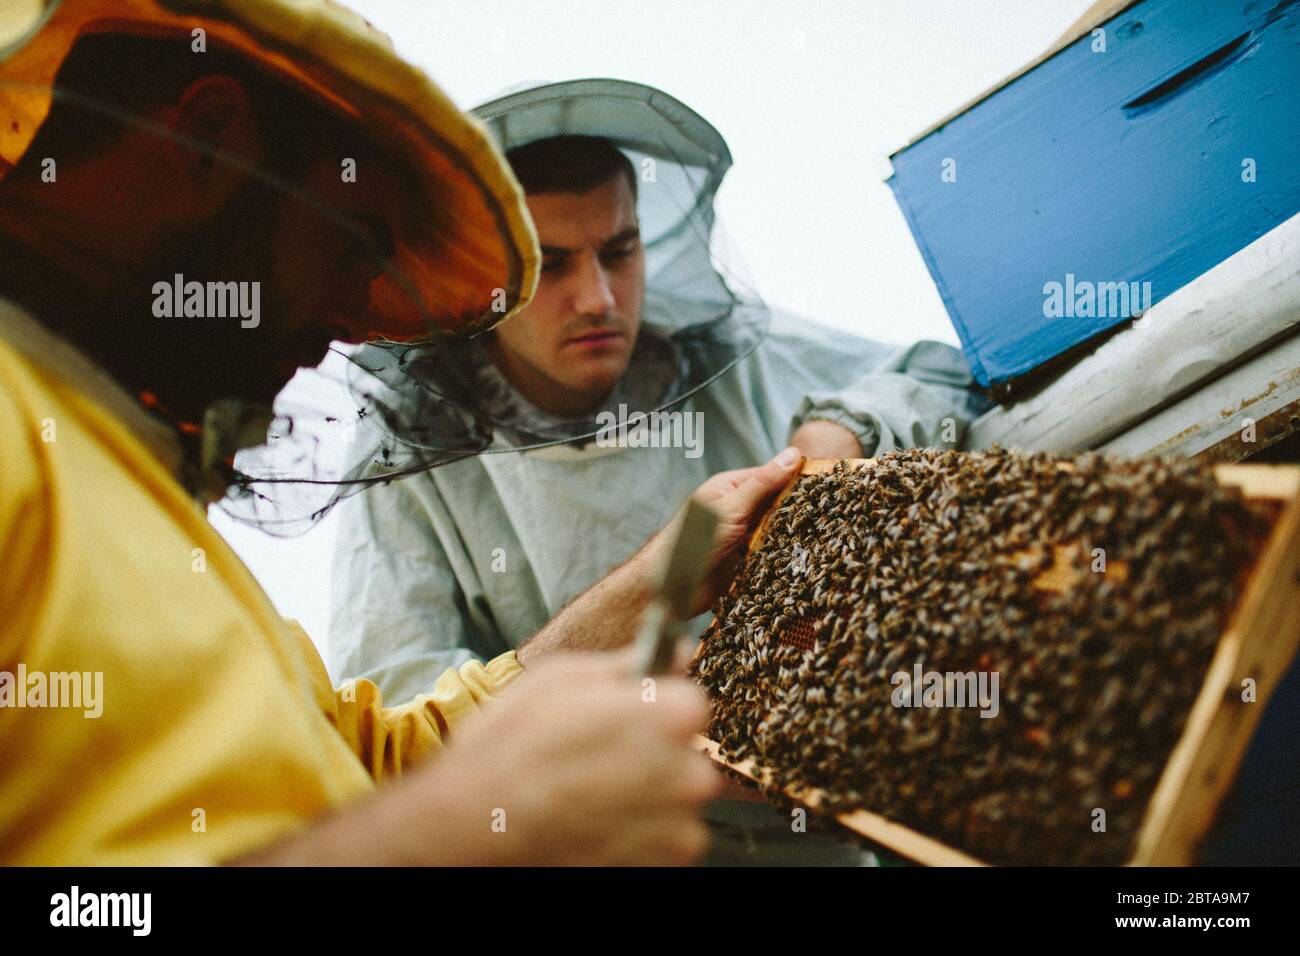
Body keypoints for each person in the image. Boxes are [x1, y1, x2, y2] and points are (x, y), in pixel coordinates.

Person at [0, 0, 797, 865]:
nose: (354, 320)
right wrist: (460, 834)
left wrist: (652, 582)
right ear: (206, 140)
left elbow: (375, 762)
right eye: (353, 246)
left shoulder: (130, 481)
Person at [327, 79, 989, 864]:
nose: (598, 298)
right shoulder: (415, 458)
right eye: (551, 266)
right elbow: (404, 711)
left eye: (619, 251)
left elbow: (942, 373)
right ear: (486, 278)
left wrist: (837, 431)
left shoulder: (728, 359)